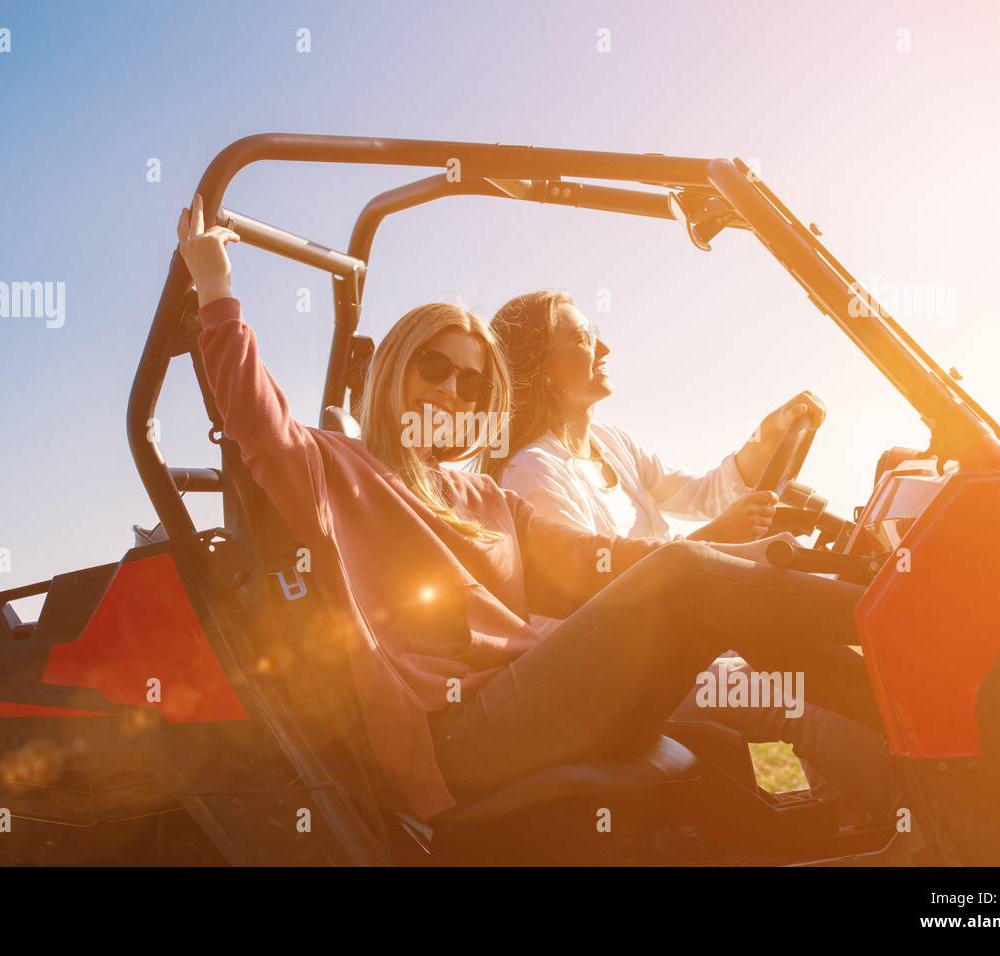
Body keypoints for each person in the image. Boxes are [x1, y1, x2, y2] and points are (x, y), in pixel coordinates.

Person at [177, 194, 889, 825]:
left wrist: (749, 556)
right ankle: (901, 616)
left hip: (534, 697)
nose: (452, 392)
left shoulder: (488, 496)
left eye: (471, 382)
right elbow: (254, 417)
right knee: (688, 581)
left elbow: (594, 562)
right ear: (396, 368)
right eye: (436, 368)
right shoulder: (335, 468)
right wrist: (215, 286)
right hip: (460, 732)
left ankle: (917, 721)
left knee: (727, 646)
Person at [489, 289, 894, 817]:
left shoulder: (611, 443)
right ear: (543, 367)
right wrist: (718, 537)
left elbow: (707, 493)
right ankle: (927, 819)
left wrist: (766, 436)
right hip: (616, 673)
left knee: (811, 661)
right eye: (585, 338)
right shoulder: (532, 474)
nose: (605, 346)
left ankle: (858, 819)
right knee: (795, 700)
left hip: (675, 645)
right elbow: (599, 604)